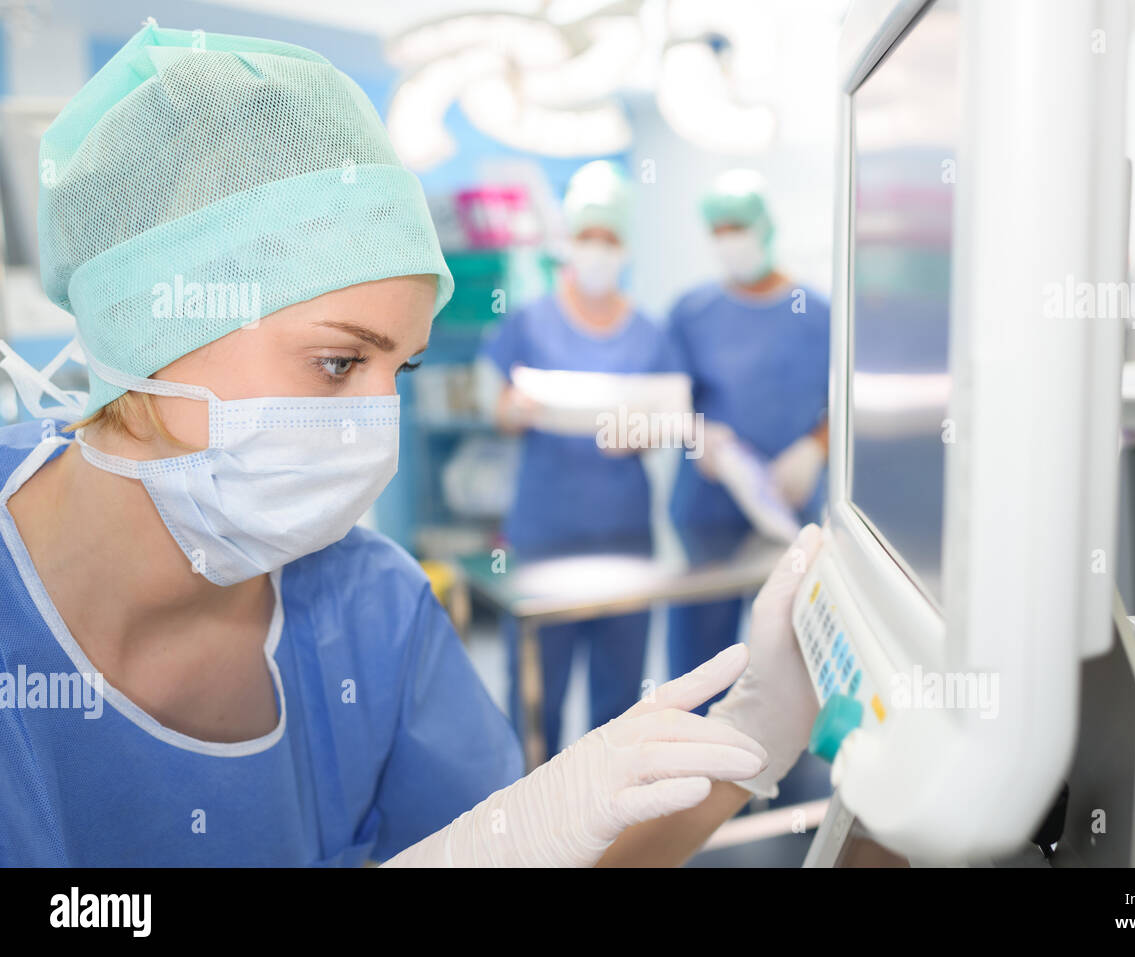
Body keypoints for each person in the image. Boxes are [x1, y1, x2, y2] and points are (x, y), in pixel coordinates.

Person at [0, 24, 823, 867]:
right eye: (338, 361)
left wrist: (750, 731)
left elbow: (545, 855)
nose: (373, 421)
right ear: (152, 322)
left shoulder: (370, 609)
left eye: (402, 367)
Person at [478, 160, 680, 760]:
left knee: (619, 701)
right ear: (569, 240)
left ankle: (610, 831)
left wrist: (646, 430)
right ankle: (532, 828)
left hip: (624, 539)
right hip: (546, 537)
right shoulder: (531, 322)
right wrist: (509, 408)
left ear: (626, 246)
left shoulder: (650, 333)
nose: (596, 250)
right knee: (536, 692)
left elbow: (675, 414)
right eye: (586, 235)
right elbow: (493, 399)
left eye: (609, 238)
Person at [667, 169, 832, 713]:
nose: (729, 238)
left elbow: (848, 400)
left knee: (787, 664)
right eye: (719, 229)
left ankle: (773, 786)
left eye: (739, 225)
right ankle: (689, 784)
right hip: (706, 515)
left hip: (789, 514)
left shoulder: (817, 313)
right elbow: (667, 402)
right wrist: (697, 434)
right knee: (699, 672)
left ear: (765, 227)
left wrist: (817, 446)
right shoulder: (692, 314)